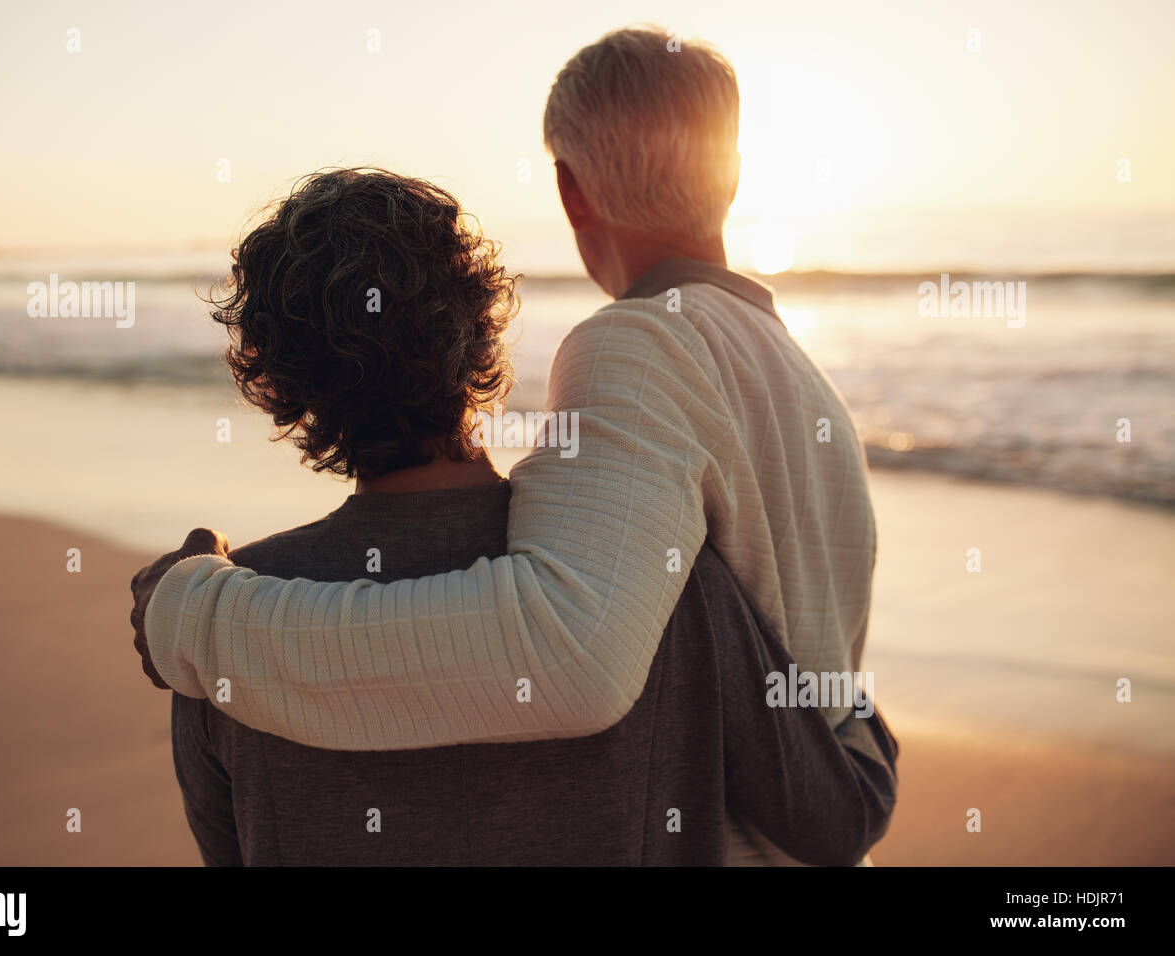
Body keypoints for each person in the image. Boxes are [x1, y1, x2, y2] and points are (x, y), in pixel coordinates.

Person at [132, 28, 885, 864]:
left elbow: (568, 654)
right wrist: (863, 741)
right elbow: (812, 710)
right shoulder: (819, 403)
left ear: (569, 190)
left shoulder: (640, 349)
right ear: (735, 170)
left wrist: (196, 614)